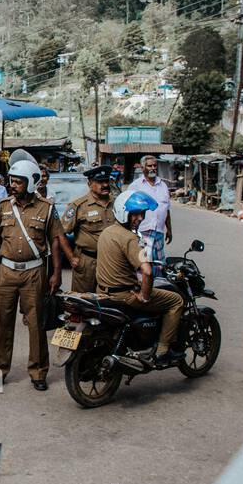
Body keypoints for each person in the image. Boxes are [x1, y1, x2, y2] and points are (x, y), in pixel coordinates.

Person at [0, 158, 63, 392]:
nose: (13, 185)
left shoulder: (47, 208)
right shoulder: (4, 206)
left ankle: (38, 372)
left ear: (30, 183)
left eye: (18, 182)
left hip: (34, 273)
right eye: (12, 181)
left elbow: (55, 241)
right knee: (2, 324)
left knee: (37, 325)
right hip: (7, 271)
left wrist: (56, 273)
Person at [96, 191, 184, 366]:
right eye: (135, 214)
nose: (140, 218)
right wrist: (145, 296)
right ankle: (163, 350)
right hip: (124, 296)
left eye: (142, 214)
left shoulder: (106, 232)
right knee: (176, 300)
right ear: (123, 212)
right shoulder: (130, 238)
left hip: (103, 292)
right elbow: (148, 272)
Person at [59, 165, 116, 294]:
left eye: (107, 181)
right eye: (100, 182)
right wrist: (71, 257)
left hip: (112, 261)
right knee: (82, 301)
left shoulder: (117, 204)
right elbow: (60, 233)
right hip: (87, 262)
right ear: (90, 183)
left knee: (109, 302)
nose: (105, 185)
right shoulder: (78, 206)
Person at [126, 155, 173, 267]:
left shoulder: (163, 186)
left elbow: (166, 209)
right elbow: (128, 211)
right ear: (143, 168)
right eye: (149, 165)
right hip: (142, 232)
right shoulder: (135, 186)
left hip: (159, 233)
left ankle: (157, 284)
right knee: (144, 266)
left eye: (155, 165)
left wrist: (169, 230)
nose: (153, 168)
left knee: (159, 264)